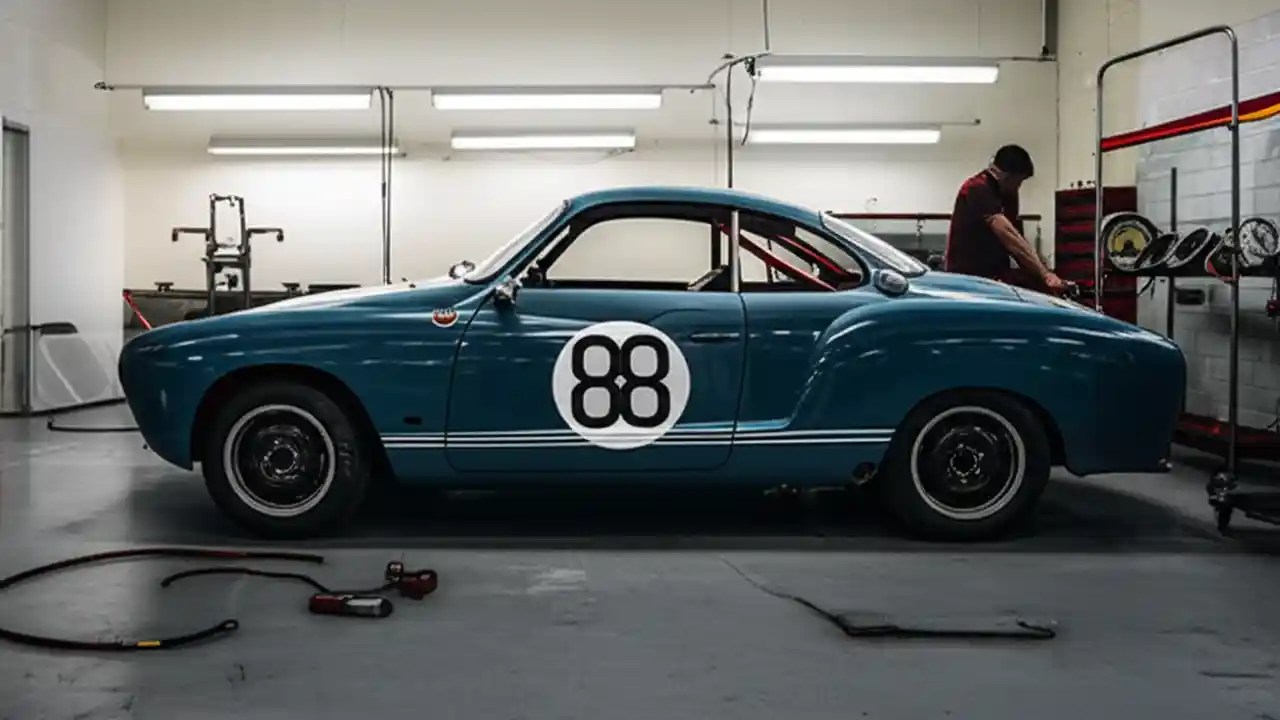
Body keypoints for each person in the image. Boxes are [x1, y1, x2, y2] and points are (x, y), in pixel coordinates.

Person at [944, 144, 1066, 295]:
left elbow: (1018, 239)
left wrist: (1042, 273)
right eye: (1019, 181)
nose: (1019, 186)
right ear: (1007, 176)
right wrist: (1045, 274)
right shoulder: (977, 188)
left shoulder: (1008, 193)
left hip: (995, 273)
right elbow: (1008, 234)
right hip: (967, 277)